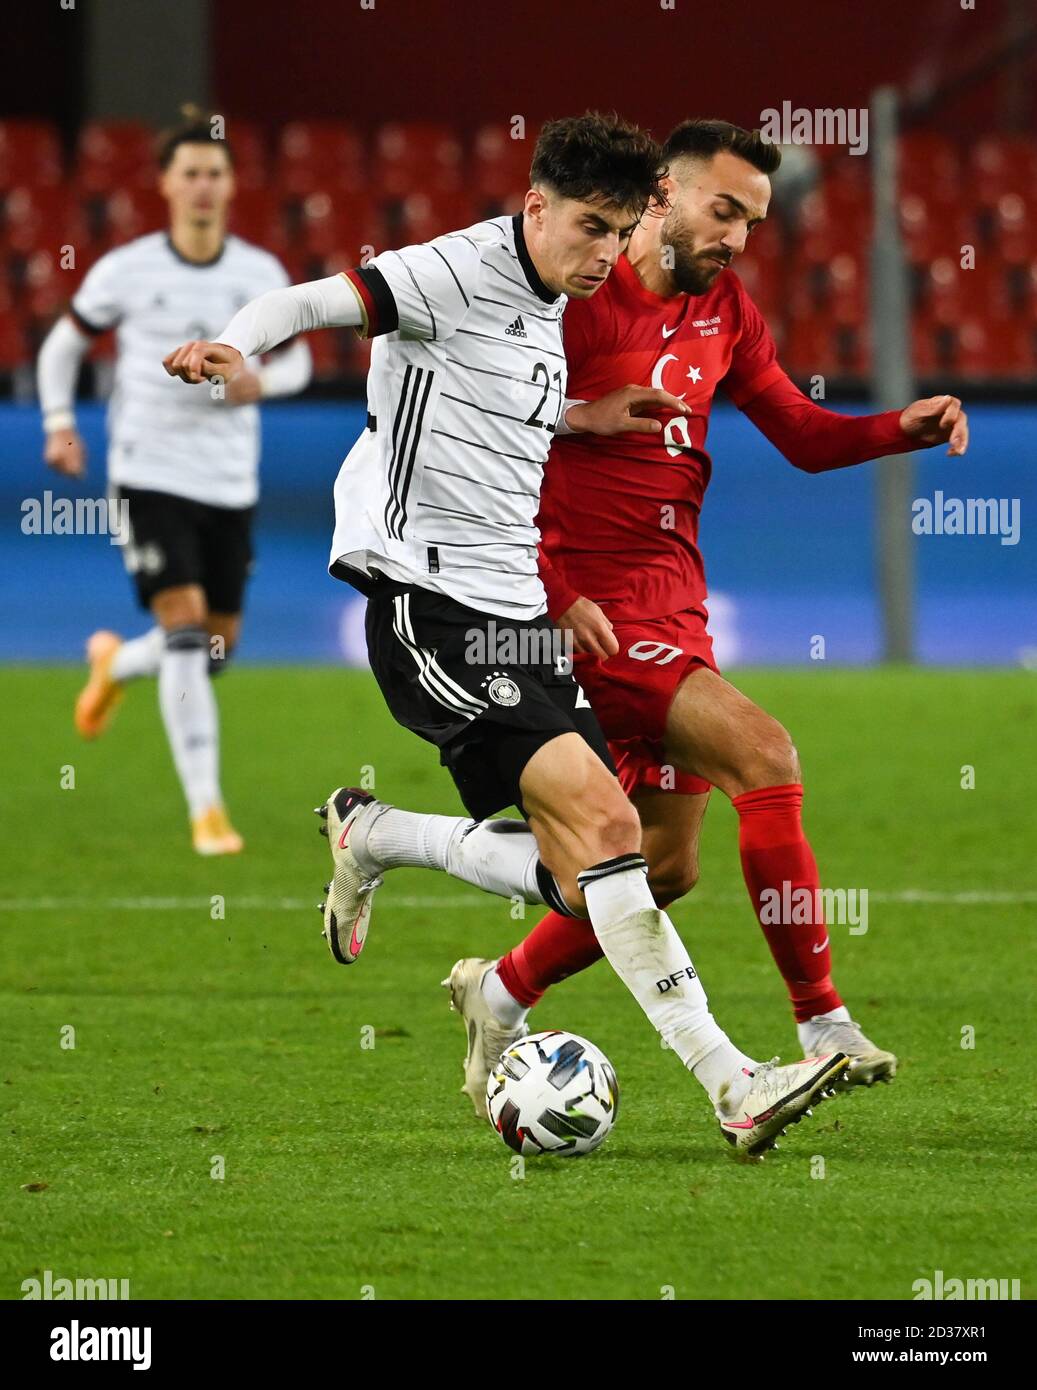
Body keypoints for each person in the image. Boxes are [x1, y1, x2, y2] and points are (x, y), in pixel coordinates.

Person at [164, 113, 849, 1157]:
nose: (601, 256)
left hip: (517, 614)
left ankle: (377, 835)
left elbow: (504, 413)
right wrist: (234, 345)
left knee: (607, 867)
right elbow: (314, 300)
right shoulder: (459, 268)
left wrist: (582, 422)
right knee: (609, 834)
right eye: (584, 227)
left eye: (618, 233)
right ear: (534, 206)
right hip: (426, 602)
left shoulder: (553, 308)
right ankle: (731, 1080)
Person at [455, 119, 969, 1092]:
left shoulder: (724, 309)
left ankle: (500, 990)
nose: (736, 236)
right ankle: (820, 1022)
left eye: (752, 220)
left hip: (673, 606)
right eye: (722, 209)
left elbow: (801, 433)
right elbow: (468, 424)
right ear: (659, 196)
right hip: (586, 616)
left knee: (663, 867)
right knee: (764, 753)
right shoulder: (567, 295)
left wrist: (897, 427)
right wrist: (573, 450)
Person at [37, 107, 312, 854]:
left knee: (215, 647)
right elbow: (64, 345)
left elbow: (302, 361)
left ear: (229, 186)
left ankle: (115, 663)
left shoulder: (258, 273)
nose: (201, 186)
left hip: (229, 482)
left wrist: (267, 383)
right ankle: (208, 811)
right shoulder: (126, 268)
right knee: (187, 631)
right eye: (188, 173)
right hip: (148, 473)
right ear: (164, 183)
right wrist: (59, 422)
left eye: (214, 174)